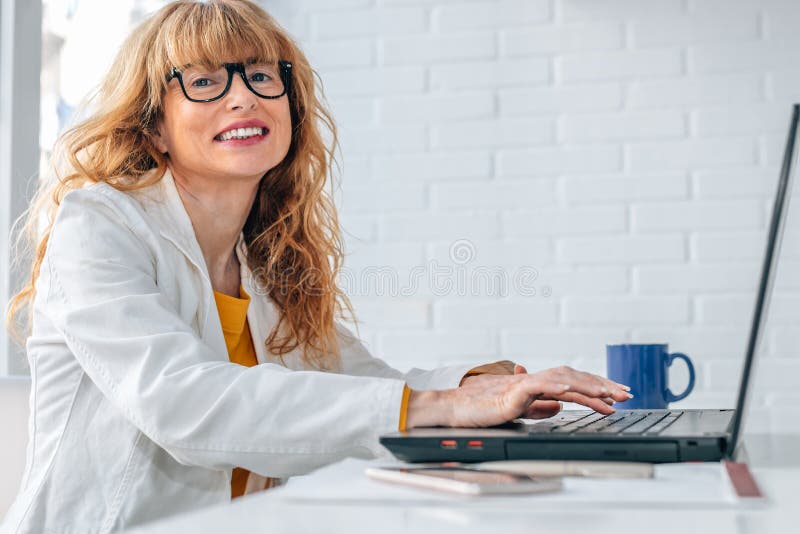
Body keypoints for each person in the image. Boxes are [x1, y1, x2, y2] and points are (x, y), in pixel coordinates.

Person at [1, 1, 632, 532]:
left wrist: (484, 387)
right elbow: (183, 405)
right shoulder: (101, 225)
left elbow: (362, 382)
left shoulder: (266, 258)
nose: (242, 97)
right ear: (155, 127)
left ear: (290, 105)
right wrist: (439, 405)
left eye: (259, 76)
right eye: (203, 81)